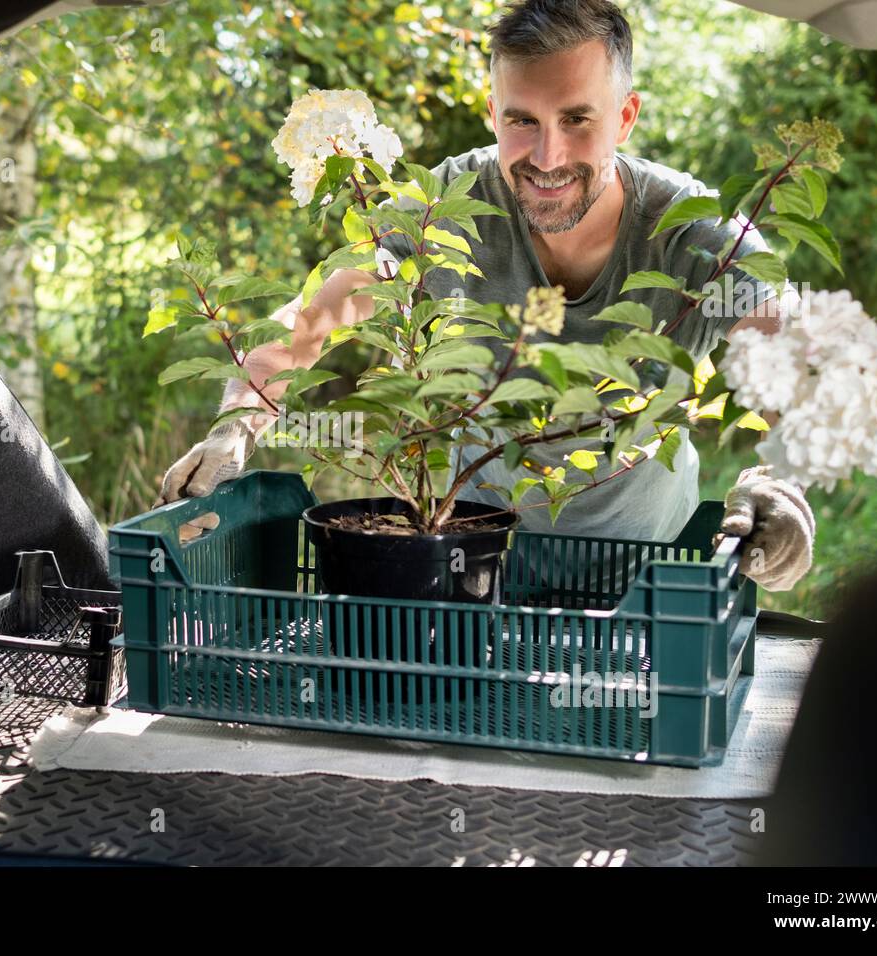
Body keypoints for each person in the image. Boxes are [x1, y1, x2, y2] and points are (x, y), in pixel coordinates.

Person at [157, 0, 812, 591]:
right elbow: (311, 321)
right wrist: (236, 425)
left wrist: (782, 484)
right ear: (492, 114)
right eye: (522, 120)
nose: (548, 156)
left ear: (625, 117)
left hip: (650, 587)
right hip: (472, 577)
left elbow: (798, 372)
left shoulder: (695, 235)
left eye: (577, 119)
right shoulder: (443, 205)